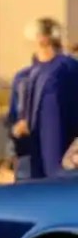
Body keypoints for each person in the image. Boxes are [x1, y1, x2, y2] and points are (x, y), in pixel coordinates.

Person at [12, 18, 78, 179]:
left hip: (63, 168)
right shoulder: (23, 78)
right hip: (31, 167)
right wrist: (16, 131)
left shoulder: (66, 69)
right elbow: (13, 123)